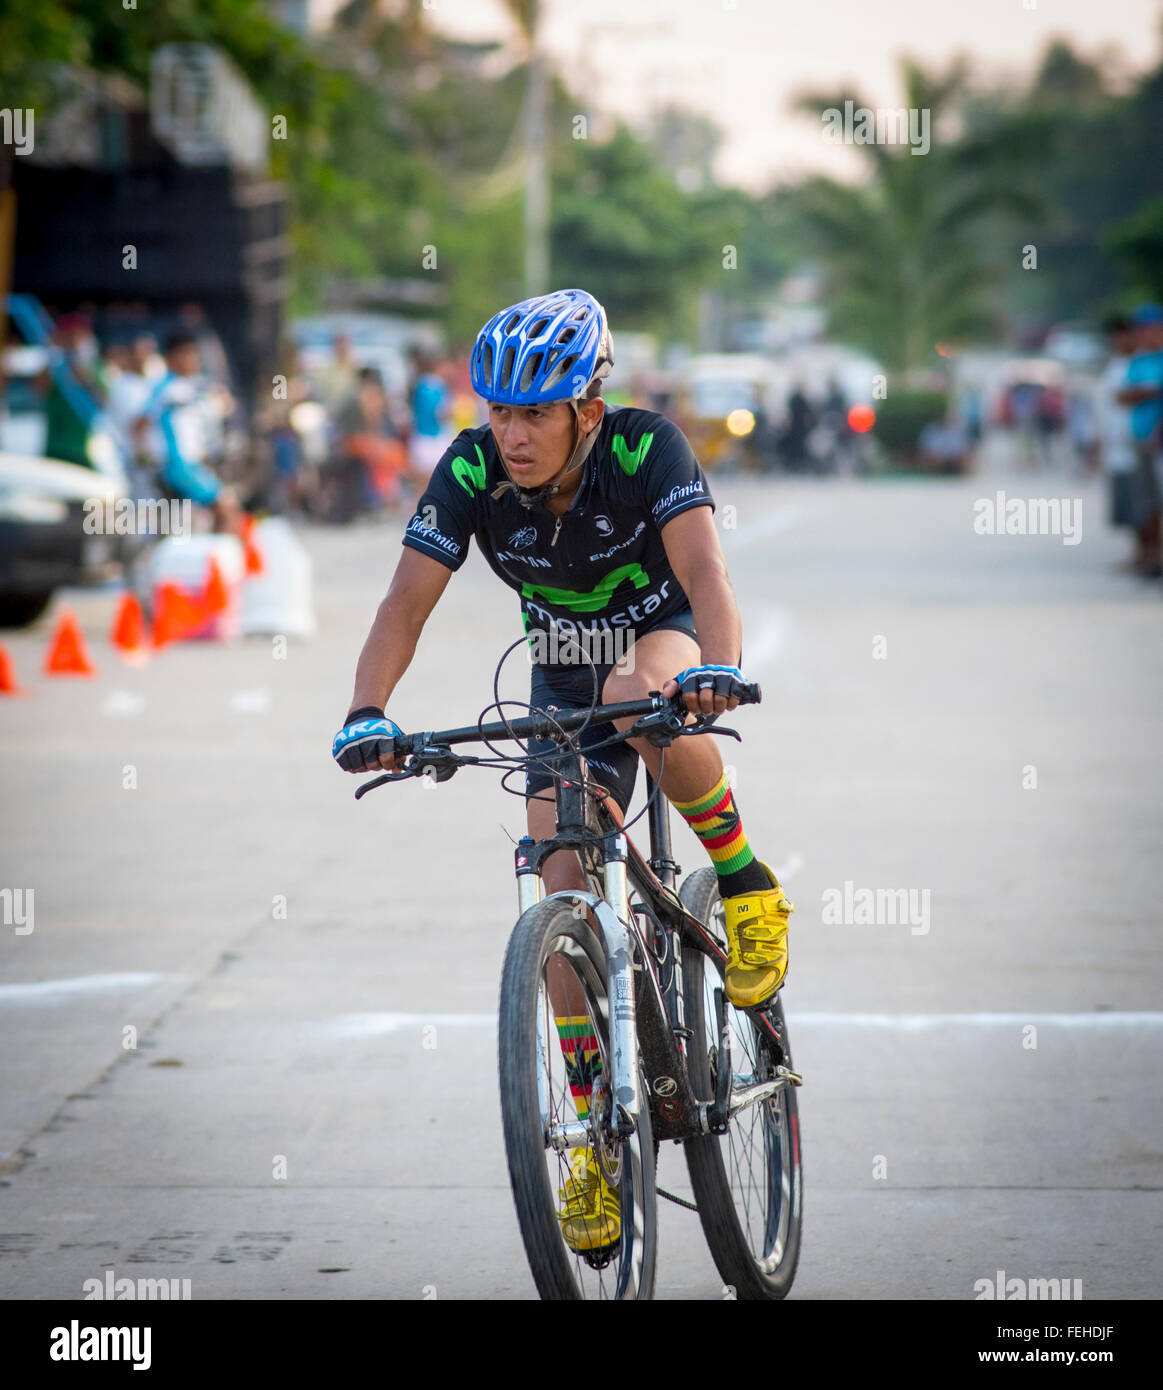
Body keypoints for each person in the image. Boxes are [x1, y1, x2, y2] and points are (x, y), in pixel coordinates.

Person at [331, 287, 795, 1253]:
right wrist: (367, 712)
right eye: (499, 411)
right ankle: (588, 1136)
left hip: (661, 641)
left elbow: (707, 573)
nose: (512, 434)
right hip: (557, 664)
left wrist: (718, 668)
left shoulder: (643, 446)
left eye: (535, 412)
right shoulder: (469, 469)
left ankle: (746, 884)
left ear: (587, 407)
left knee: (638, 692)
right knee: (555, 886)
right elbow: (404, 600)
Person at [138, 332, 239, 532]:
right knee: (226, 507)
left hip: (190, 464)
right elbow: (140, 424)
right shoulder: (166, 389)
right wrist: (145, 456)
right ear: (171, 358)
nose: (194, 360)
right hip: (179, 467)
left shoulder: (188, 386)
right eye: (188, 354)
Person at [1117, 304, 1163, 579]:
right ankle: (1149, 555)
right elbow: (1122, 396)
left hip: (1158, 442)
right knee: (1146, 501)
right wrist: (1148, 392)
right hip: (1141, 439)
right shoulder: (1138, 362)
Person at [1096, 314, 1140, 567]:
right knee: (1129, 505)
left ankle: (1148, 554)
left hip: (1137, 442)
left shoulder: (1140, 364)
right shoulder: (1115, 365)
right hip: (1117, 445)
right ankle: (1139, 553)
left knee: (1143, 505)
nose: (1120, 339)